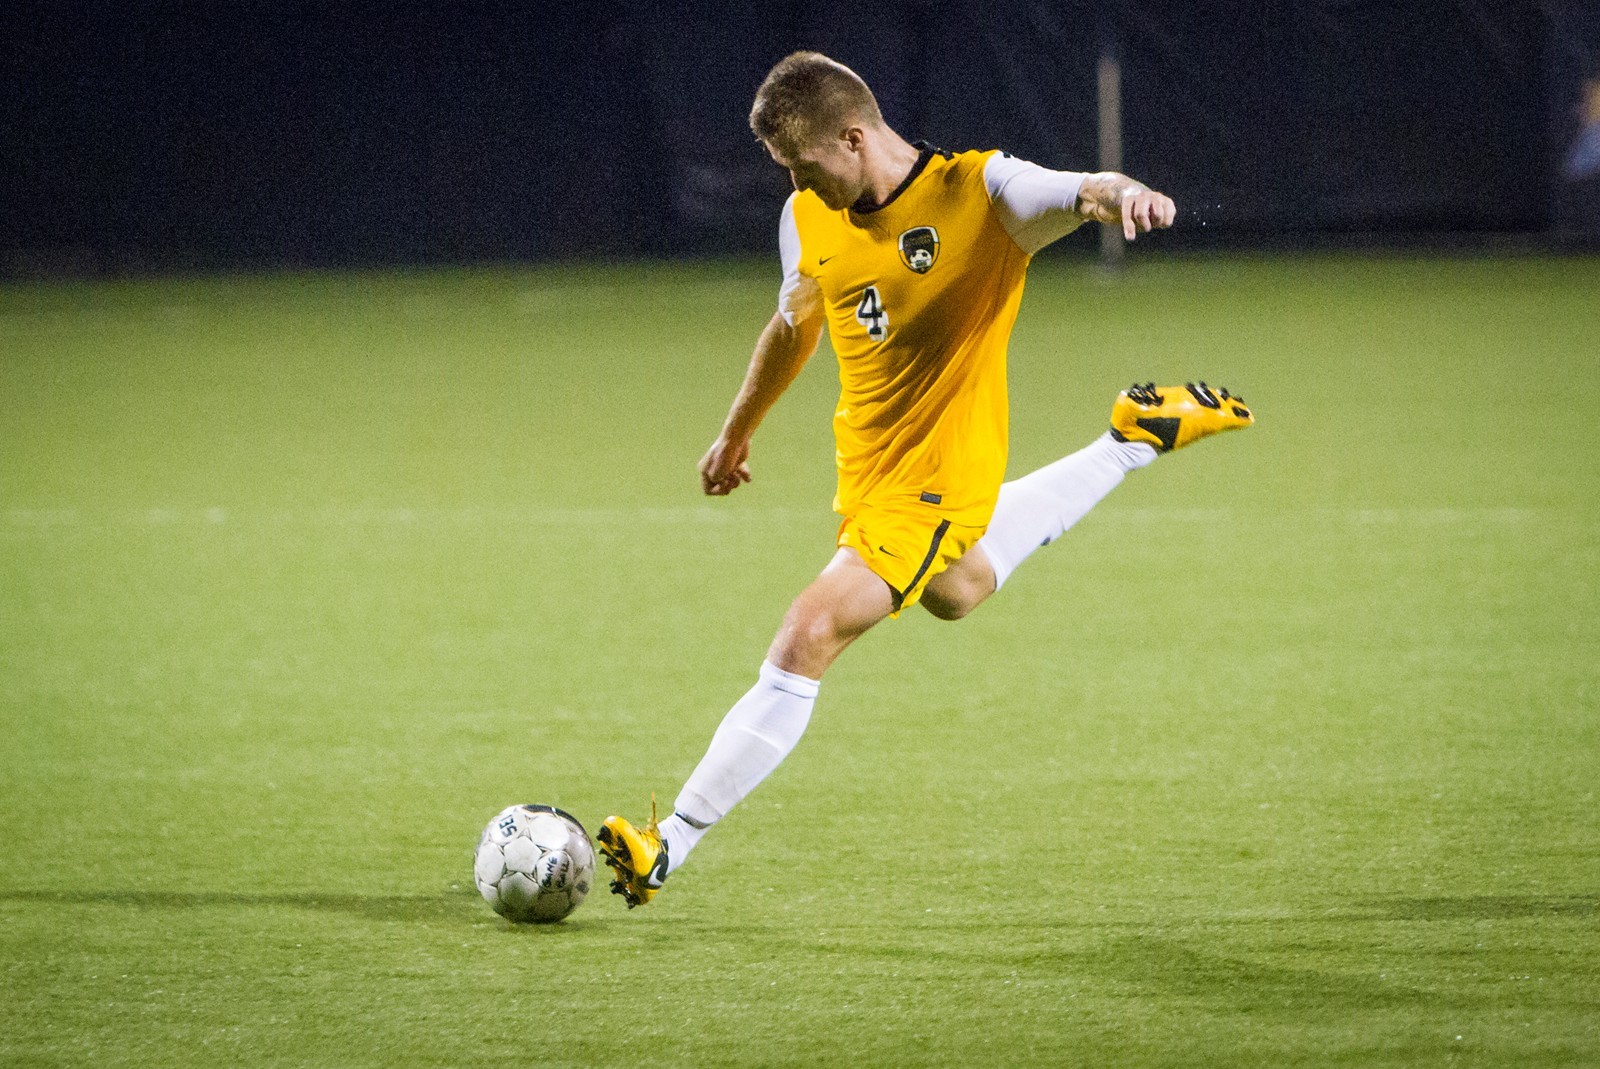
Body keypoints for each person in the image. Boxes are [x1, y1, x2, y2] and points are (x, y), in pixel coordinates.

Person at [597, 51, 1253, 907]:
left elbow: (1081, 188)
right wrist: (735, 432)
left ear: (854, 136)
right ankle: (1134, 437)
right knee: (960, 587)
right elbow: (796, 320)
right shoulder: (808, 214)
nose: (797, 185)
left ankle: (667, 846)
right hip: (868, 474)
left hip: (940, 480)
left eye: (803, 165)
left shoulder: (982, 194)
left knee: (807, 632)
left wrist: (1123, 196)